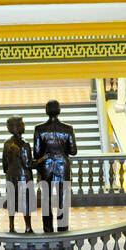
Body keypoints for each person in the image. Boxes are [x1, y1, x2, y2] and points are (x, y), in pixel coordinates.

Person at [33, 99, 78, 232]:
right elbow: (73, 151)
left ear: (46, 111)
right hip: (62, 166)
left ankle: (47, 227)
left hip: (46, 166)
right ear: (59, 111)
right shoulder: (68, 129)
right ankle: (62, 226)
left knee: (46, 197)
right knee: (62, 197)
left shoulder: (39, 129)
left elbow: (36, 153)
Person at [2, 116, 34, 232]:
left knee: (11, 200)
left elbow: (4, 164)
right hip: (24, 177)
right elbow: (29, 164)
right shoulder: (24, 145)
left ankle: (11, 226)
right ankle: (28, 227)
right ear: (18, 127)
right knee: (26, 202)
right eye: (22, 123)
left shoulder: (7, 144)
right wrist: (42, 159)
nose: (24, 125)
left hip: (10, 176)